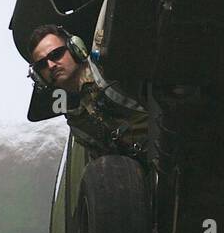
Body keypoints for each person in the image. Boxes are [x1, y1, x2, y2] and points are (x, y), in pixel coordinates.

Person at [26, 23, 148, 159]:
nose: (51, 65)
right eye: (42, 64)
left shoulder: (109, 67)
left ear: (74, 47)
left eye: (56, 54)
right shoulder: (75, 117)